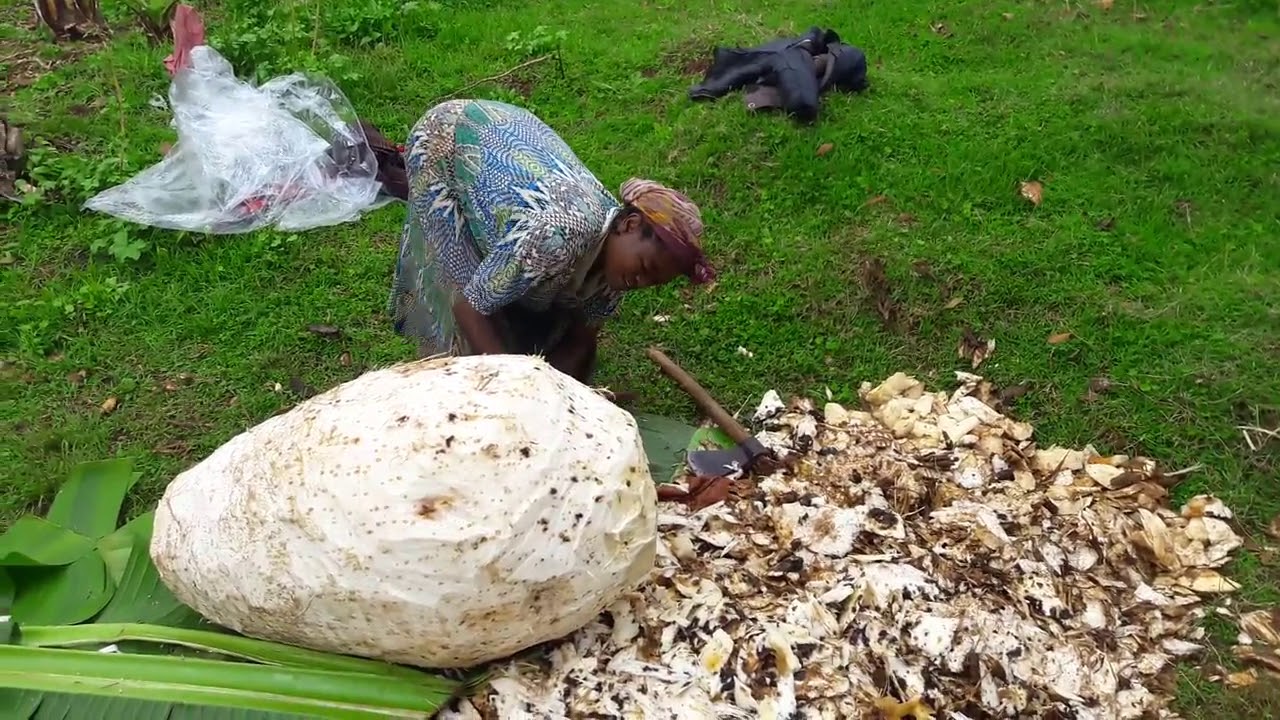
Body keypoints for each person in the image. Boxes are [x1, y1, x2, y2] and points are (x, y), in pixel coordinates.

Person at [377, 99, 715, 384]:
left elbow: (582, 341)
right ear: (628, 224)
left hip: (511, 136)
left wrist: (567, 402)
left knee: (528, 303)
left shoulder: (616, 274)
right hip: (448, 137)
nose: (639, 282)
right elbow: (468, 306)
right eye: (644, 268)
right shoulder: (555, 236)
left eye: (651, 282)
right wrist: (516, 385)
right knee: (466, 318)